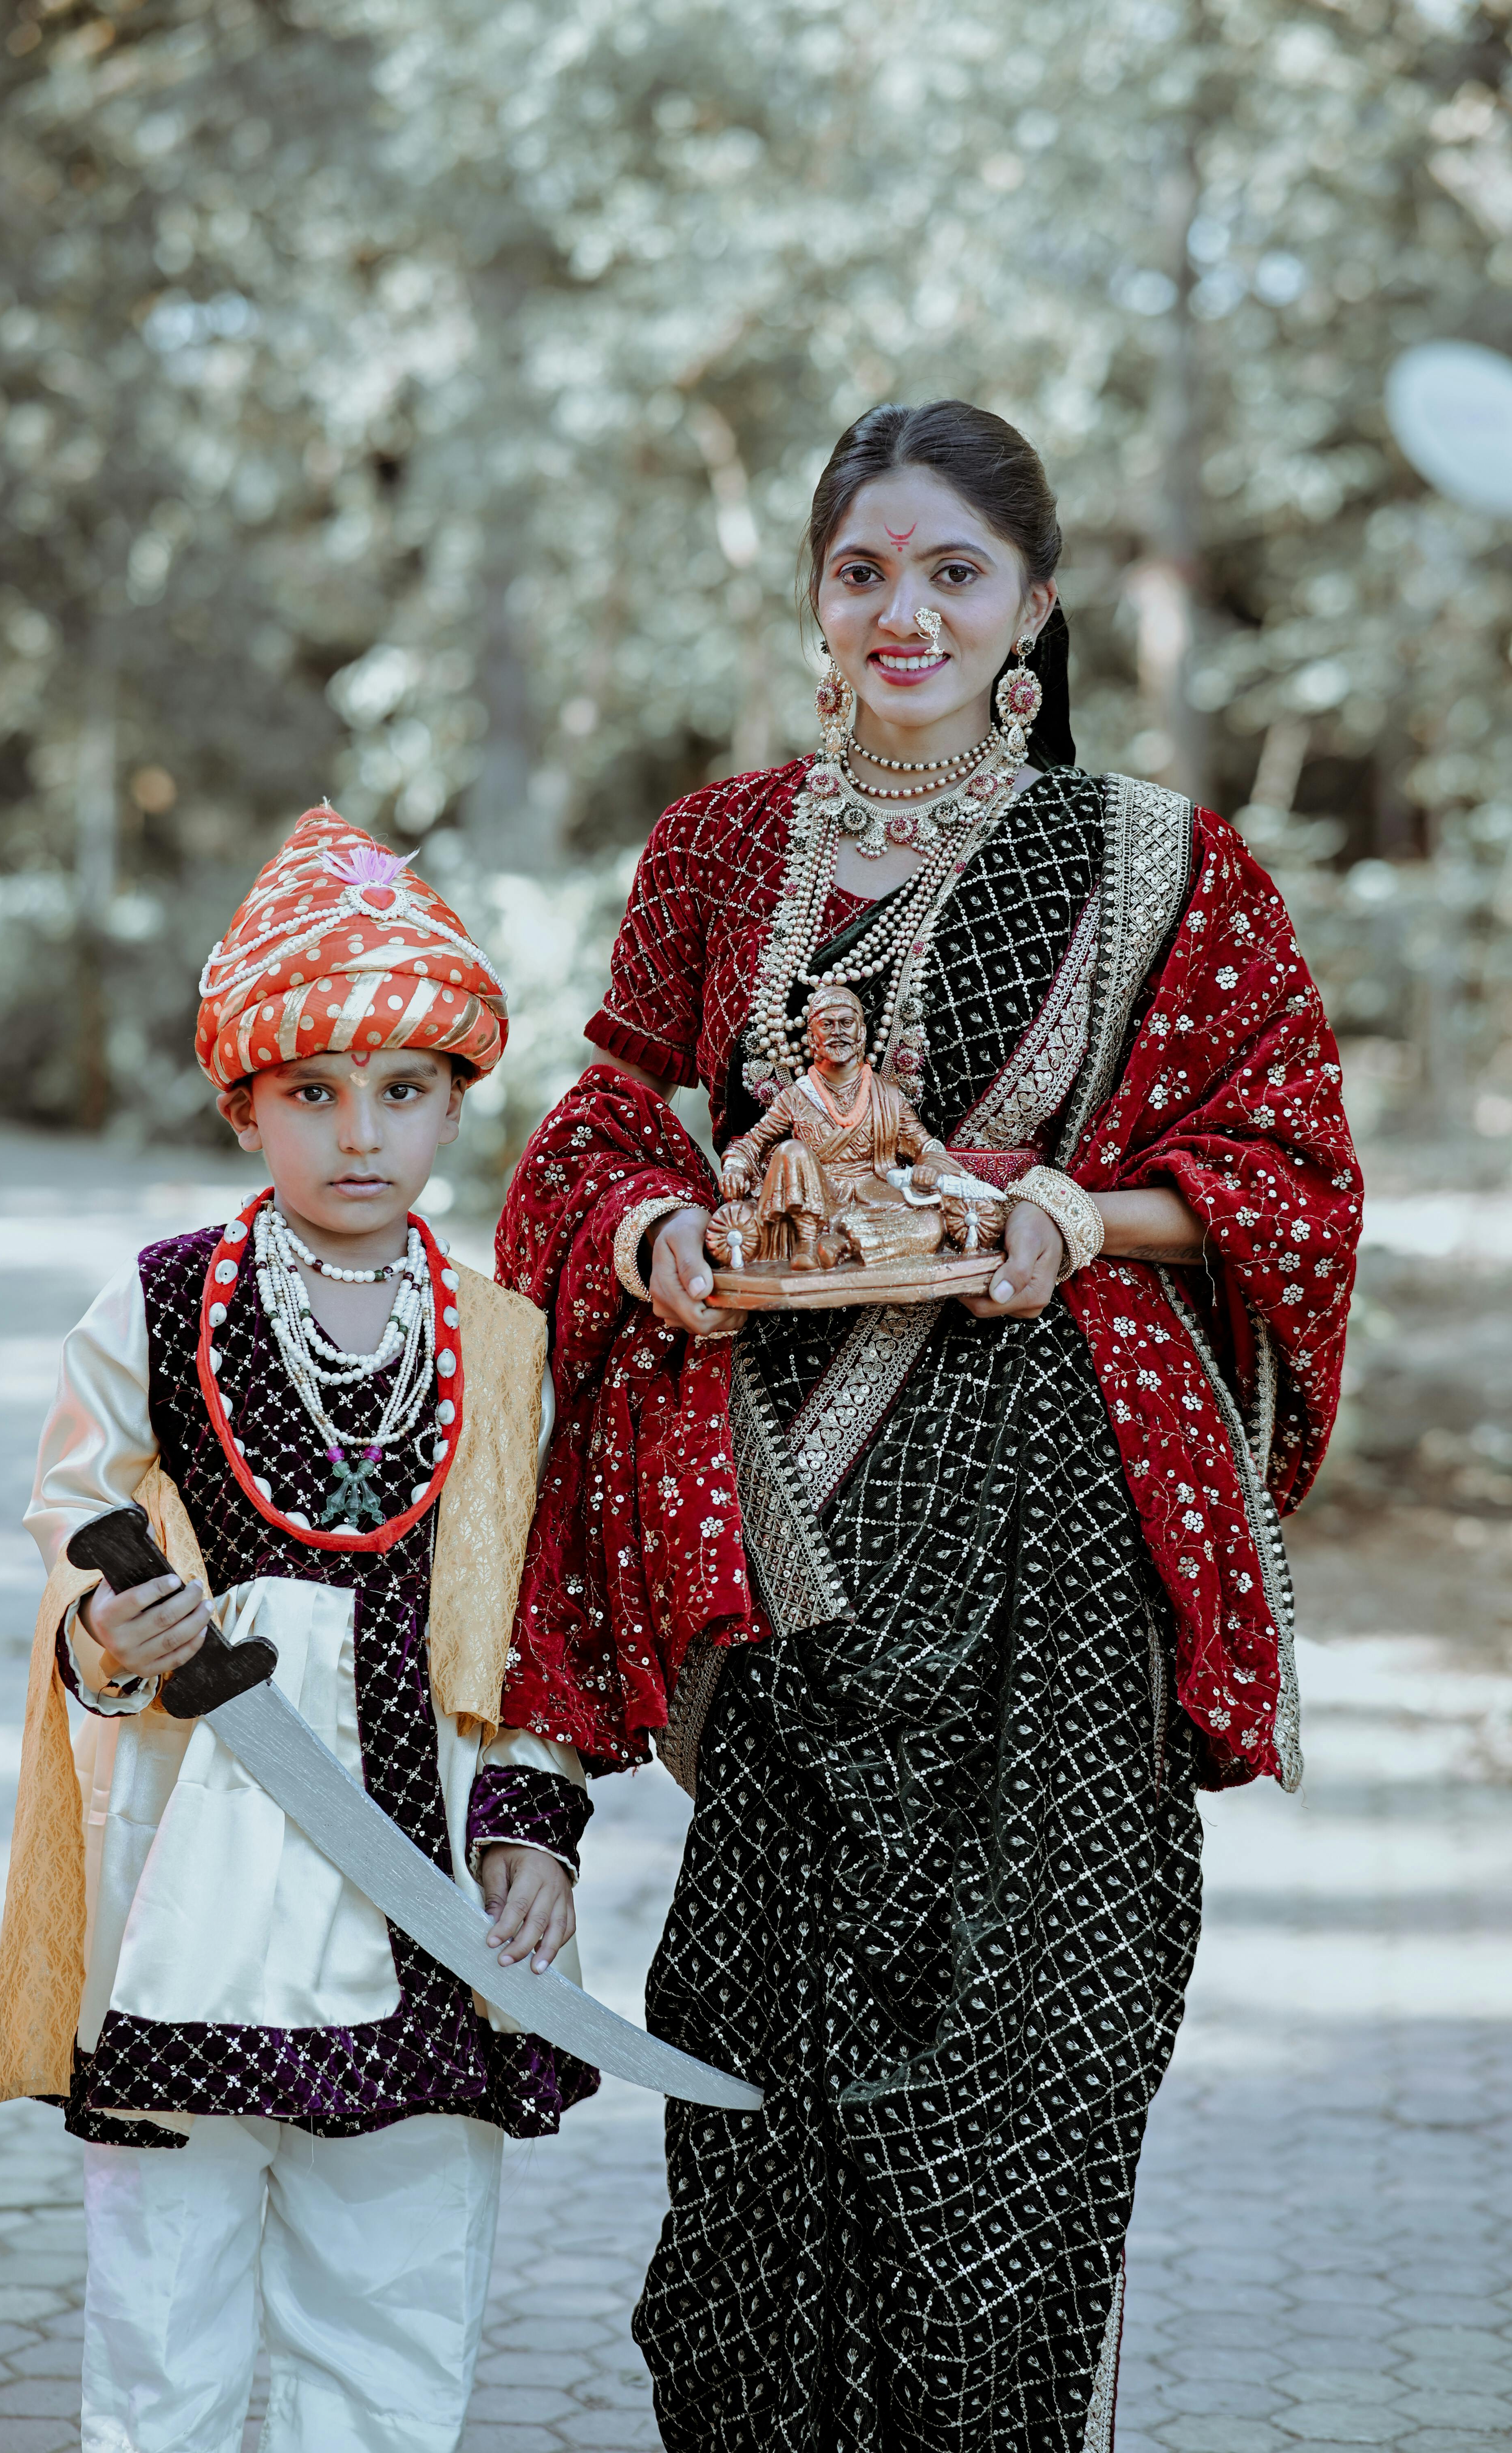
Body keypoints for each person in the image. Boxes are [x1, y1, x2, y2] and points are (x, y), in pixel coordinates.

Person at [493, 400, 1362, 2450]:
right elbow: (595, 1129)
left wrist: (1074, 1209)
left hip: (1056, 1576)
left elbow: (1294, 1168)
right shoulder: (715, 852)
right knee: (758, 2126)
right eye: (864, 571)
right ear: (815, 599)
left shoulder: (1156, 862)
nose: (907, 612)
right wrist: (650, 1238)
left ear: (1034, 603)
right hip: (792, 1562)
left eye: (953, 571)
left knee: (1021, 2117)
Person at [0, 805, 595, 2453]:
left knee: (395, 2310)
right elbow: (74, 1519)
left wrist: (534, 1828)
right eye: (311, 1091)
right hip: (195, 1868)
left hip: (426, 1880)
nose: (358, 1133)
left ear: (458, 1099)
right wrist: (117, 1616)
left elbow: (538, 1607)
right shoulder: (158, 1304)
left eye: (404, 1090)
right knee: (162, 2319)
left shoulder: (502, 1340)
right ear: (243, 1101)